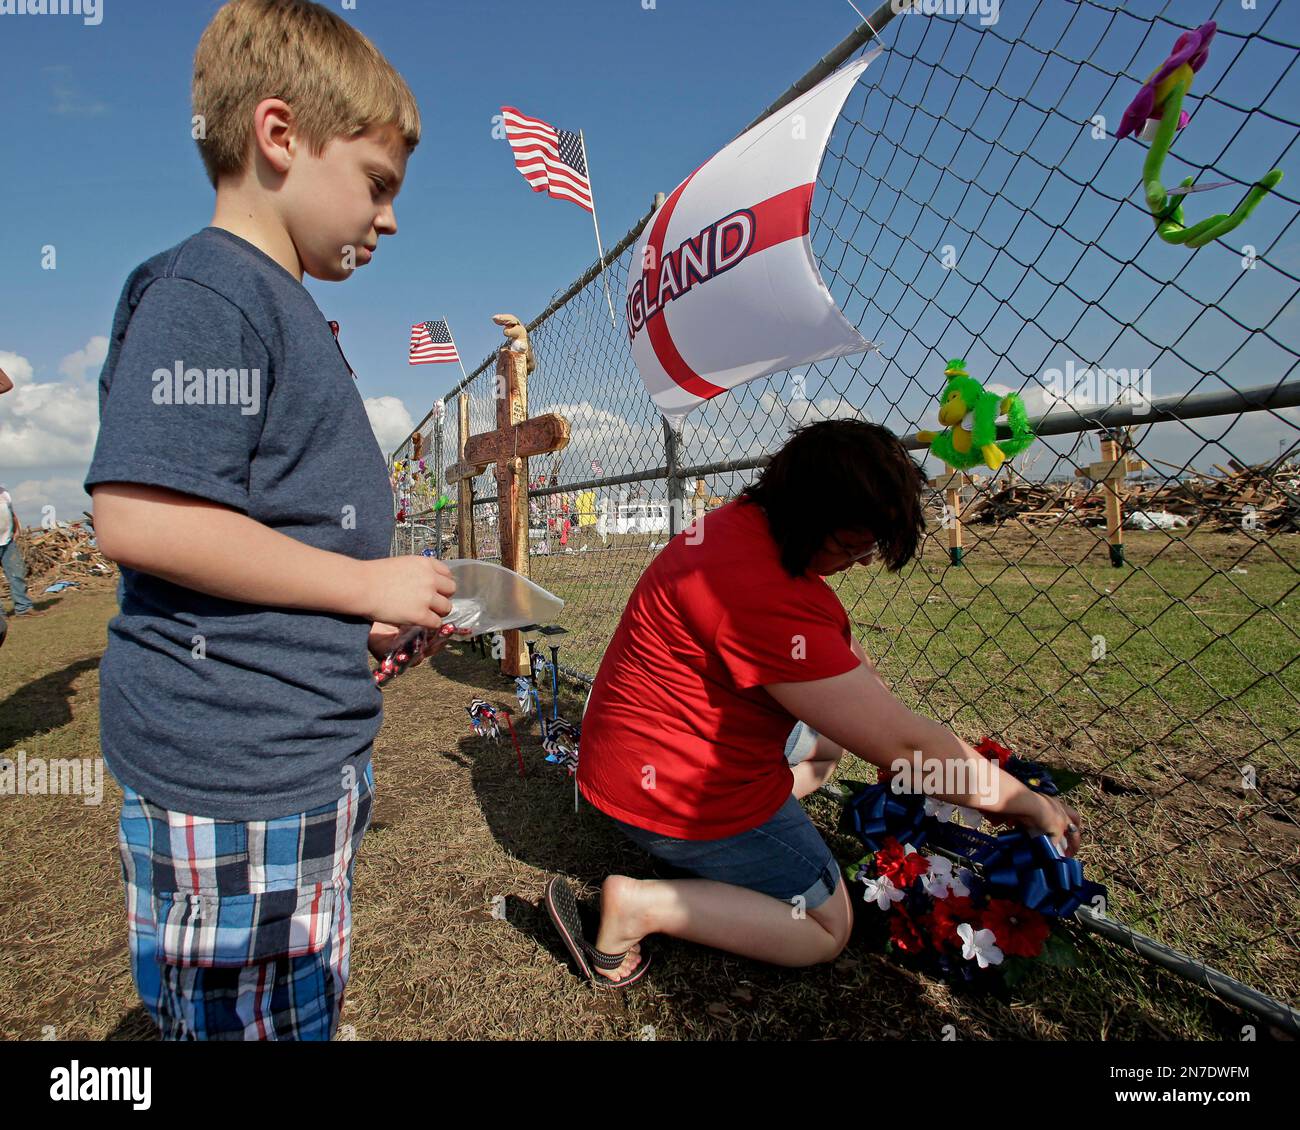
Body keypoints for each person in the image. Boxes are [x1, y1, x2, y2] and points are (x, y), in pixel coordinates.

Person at [84, 0, 462, 1040]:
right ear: (281, 135)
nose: (388, 219)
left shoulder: (277, 303)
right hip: (236, 770)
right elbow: (142, 515)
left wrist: (357, 623)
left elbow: (271, 527)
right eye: (377, 184)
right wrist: (361, 585)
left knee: (286, 1003)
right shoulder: (213, 293)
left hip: (292, 752)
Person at [551, 419, 1084, 987]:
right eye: (851, 544)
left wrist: (931, 752)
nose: (859, 561)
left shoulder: (742, 525)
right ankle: (640, 907)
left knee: (826, 744)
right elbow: (905, 746)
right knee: (827, 927)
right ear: (809, 515)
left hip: (630, 757)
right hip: (667, 794)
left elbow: (857, 682)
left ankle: (729, 849)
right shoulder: (766, 595)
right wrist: (1027, 803)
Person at [0, 486, 40, 638]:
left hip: (8, 542)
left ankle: (23, 608)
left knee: (17, 573)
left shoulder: (4, 493)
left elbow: (11, 514)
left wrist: (16, 529)